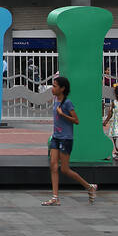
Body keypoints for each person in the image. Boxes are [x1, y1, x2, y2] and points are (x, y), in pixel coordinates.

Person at [42, 76, 98, 206]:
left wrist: (63, 115)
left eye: (55, 86)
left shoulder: (67, 103)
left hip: (66, 138)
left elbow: (76, 120)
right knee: (53, 165)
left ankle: (89, 186)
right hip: (56, 137)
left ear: (62, 89)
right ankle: (55, 197)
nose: (53, 88)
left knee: (65, 169)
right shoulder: (55, 100)